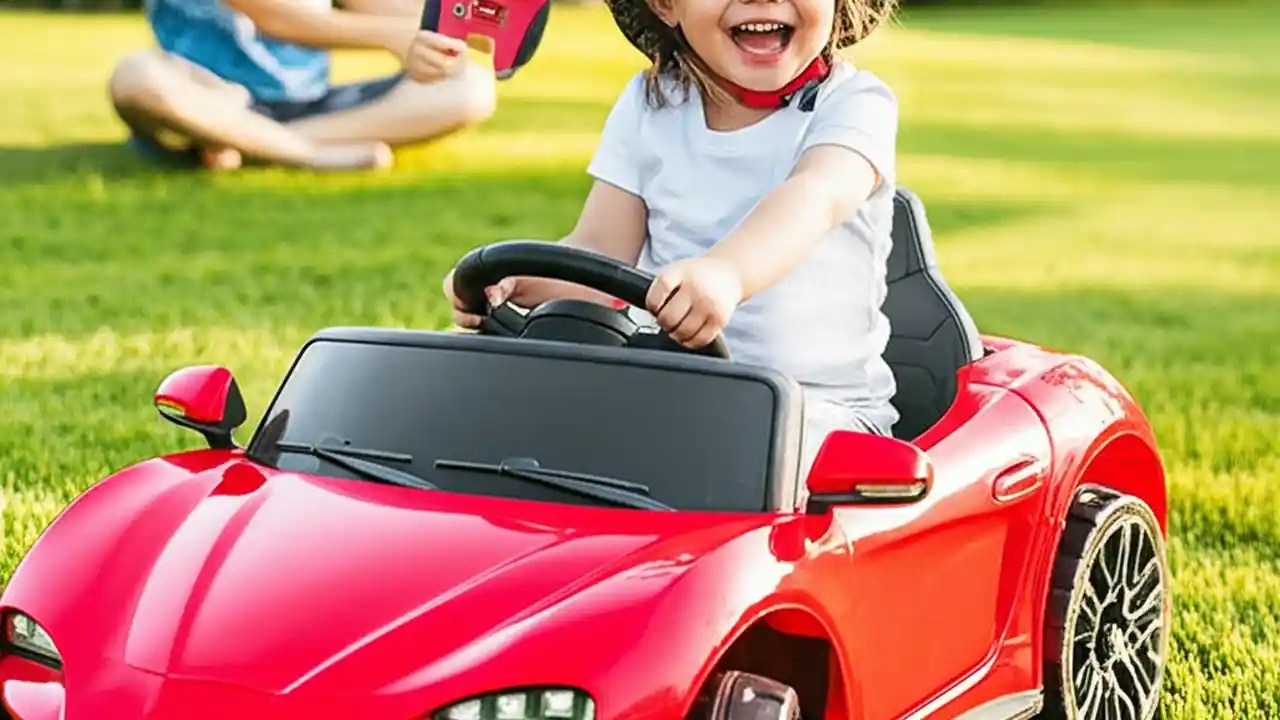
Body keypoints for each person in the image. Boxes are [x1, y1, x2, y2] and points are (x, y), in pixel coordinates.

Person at [432, 0, 901, 475]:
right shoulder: (649, 104)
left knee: (699, 461)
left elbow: (815, 197)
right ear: (664, 5)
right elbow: (600, 250)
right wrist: (515, 283)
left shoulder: (854, 105)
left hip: (820, 417)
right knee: (491, 421)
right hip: (673, 395)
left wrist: (727, 274)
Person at [108, 0, 497, 171]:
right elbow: (273, 15)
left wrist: (477, 17)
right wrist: (390, 35)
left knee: (470, 89)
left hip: (307, 105)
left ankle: (248, 145)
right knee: (135, 77)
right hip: (203, 99)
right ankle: (308, 155)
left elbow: (406, 12)